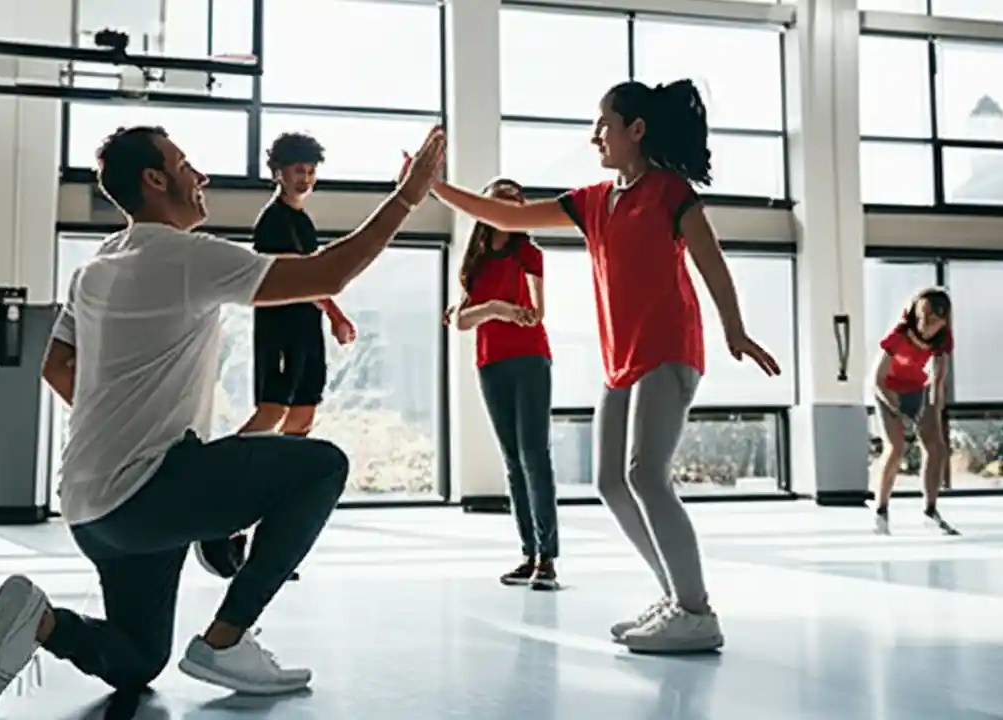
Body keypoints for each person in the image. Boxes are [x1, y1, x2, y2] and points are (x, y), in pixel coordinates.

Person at [0, 124, 445, 718]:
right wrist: (409, 197)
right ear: (155, 179)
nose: (200, 176)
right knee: (321, 466)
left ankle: (42, 620)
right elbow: (328, 275)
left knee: (138, 660)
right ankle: (227, 639)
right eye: (186, 165)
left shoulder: (96, 266)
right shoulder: (186, 255)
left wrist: (121, 419)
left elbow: (56, 367)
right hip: (148, 493)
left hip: (87, 509)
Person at [428, 79, 780, 654]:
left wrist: (734, 329)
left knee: (645, 475)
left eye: (603, 124)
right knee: (609, 481)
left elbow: (710, 261)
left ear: (635, 130)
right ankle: (676, 598)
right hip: (621, 357)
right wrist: (436, 189)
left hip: (668, 347)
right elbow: (506, 217)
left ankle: (697, 611)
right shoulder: (594, 199)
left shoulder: (670, 191)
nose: (595, 135)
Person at [194, 132, 355, 582]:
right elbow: (288, 277)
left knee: (301, 420)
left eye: (309, 171)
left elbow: (317, 279)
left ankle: (273, 539)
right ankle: (214, 501)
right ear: (278, 173)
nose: (304, 177)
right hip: (279, 331)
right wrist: (334, 308)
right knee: (272, 412)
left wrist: (336, 316)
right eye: (296, 170)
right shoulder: (273, 221)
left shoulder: (305, 223)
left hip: (308, 331)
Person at [443, 177, 560, 591]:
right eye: (500, 203)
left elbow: (536, 310)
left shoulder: (529, 253)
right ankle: (528, 554)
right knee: (512, 460)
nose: (508, 211)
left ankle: (548, 558)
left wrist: (504, 312)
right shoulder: (474, 261)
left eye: (515, 204)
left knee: (534, 454)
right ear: (485, 210)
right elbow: (459, 321)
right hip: (490, 363)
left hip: (530, 359)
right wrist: (494, 308)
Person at [871, 287, 958, 536]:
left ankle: (930, 511)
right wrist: (895, 410)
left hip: (916, 389)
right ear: (917, 315)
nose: (930, 327)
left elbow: (938, 378)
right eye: (927, 319)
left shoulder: (943, 338)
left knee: (936, 447)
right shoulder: (899, 335)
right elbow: (877, 378)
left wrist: (934, 407)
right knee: (896, 448)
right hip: (888, 389)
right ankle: (881, 511)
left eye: (937, 322)